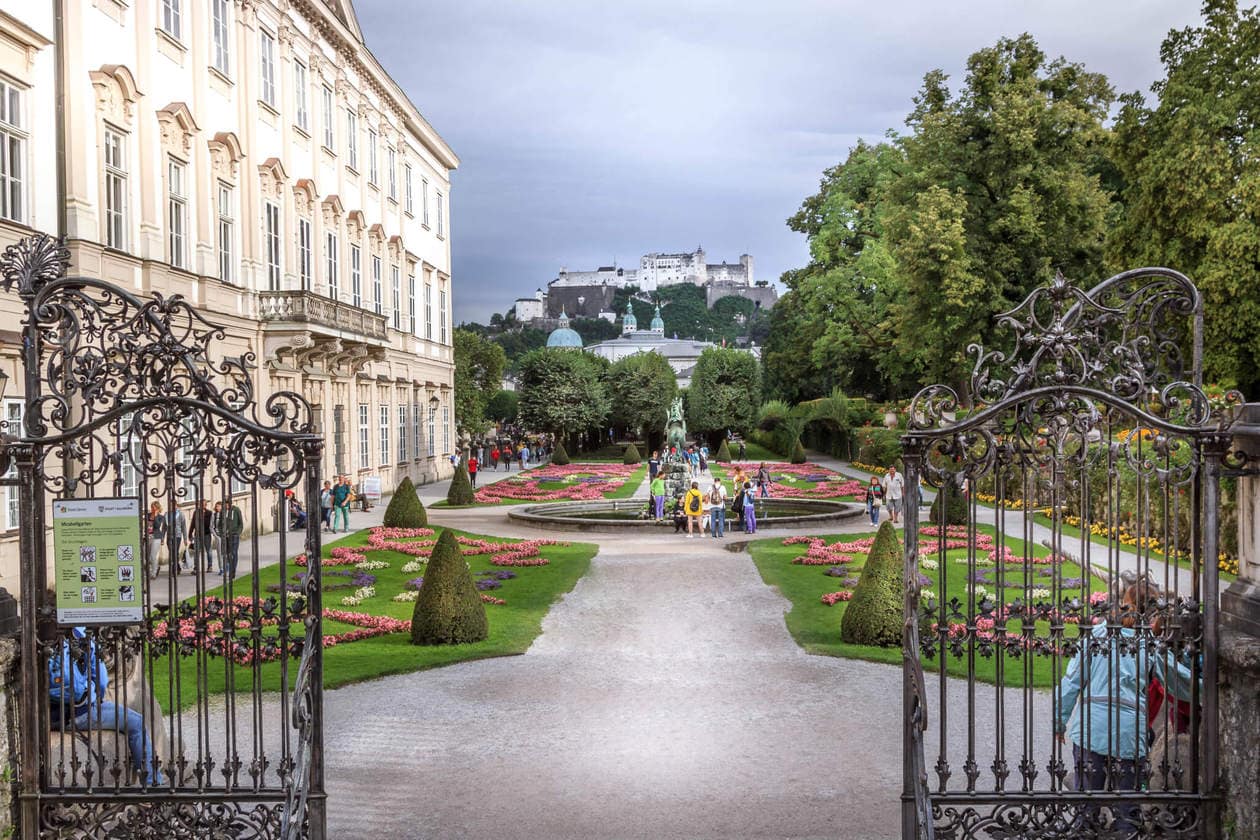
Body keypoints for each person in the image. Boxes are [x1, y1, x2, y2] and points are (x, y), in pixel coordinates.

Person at [1055, 583, 1195, 828]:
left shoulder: (1097, 634)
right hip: (1128, 734)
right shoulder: (1149, 643)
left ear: (1123, 602)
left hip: (1091, 728)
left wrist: (1059, 722)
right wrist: (1208, 686)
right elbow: (1179, 680)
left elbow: (1071, 681)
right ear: (1152, 612)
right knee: (1127, 809)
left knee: (1086, 804)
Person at [48, 621, 162, 786]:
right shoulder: (82, 636)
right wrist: (94, 693)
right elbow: (101, 681)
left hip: (54, 715)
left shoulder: (45, 637)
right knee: (137, 723)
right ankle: (153, 783)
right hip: (82, 712)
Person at [190, 499, 215, 573]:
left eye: (204, 504)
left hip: (206, 534)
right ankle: (196, 568)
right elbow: (193, 523)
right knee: (196, 551)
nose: (203, 506)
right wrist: (190, 533)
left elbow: (210, 524)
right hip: (197, 534)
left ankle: (210, 566)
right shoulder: (196, 512)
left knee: (209, 551)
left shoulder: (209, 513)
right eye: (201, 504)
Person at [221, 499, 244, 577]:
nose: (226, 506)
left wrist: (237, 533)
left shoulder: (236, 510)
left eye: (227, 505)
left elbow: (240, 523)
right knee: (228, 553)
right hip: (226, 536)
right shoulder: (223, 511)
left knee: (234, 553)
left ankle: (233, 571)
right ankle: (230, 568)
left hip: (234, 535)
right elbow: (221, 523)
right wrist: (221, 532)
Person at [166, 504, 188, 573]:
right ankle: (177, 566)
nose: (172, 507)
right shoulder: (167, 514)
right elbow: (164, 526)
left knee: (175, 552)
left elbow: (183, 527)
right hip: (169, 536)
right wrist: (162, 537)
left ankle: (174, 568)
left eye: (173, 505)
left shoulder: (180, 514)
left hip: (177, 536)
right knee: (171, 552)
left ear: (176, 505)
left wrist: (185, 538)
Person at [147, 501, 166, 578]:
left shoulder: (161, 517)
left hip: (156, 537)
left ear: (158, 508)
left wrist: (155, 516)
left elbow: (157, 526)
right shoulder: (148, 515)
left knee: (153, 556)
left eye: (154, 508)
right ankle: (156, 568)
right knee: (146, 556)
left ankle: (153, 573)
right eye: (152, 507)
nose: (152, 509)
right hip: (147, 537)